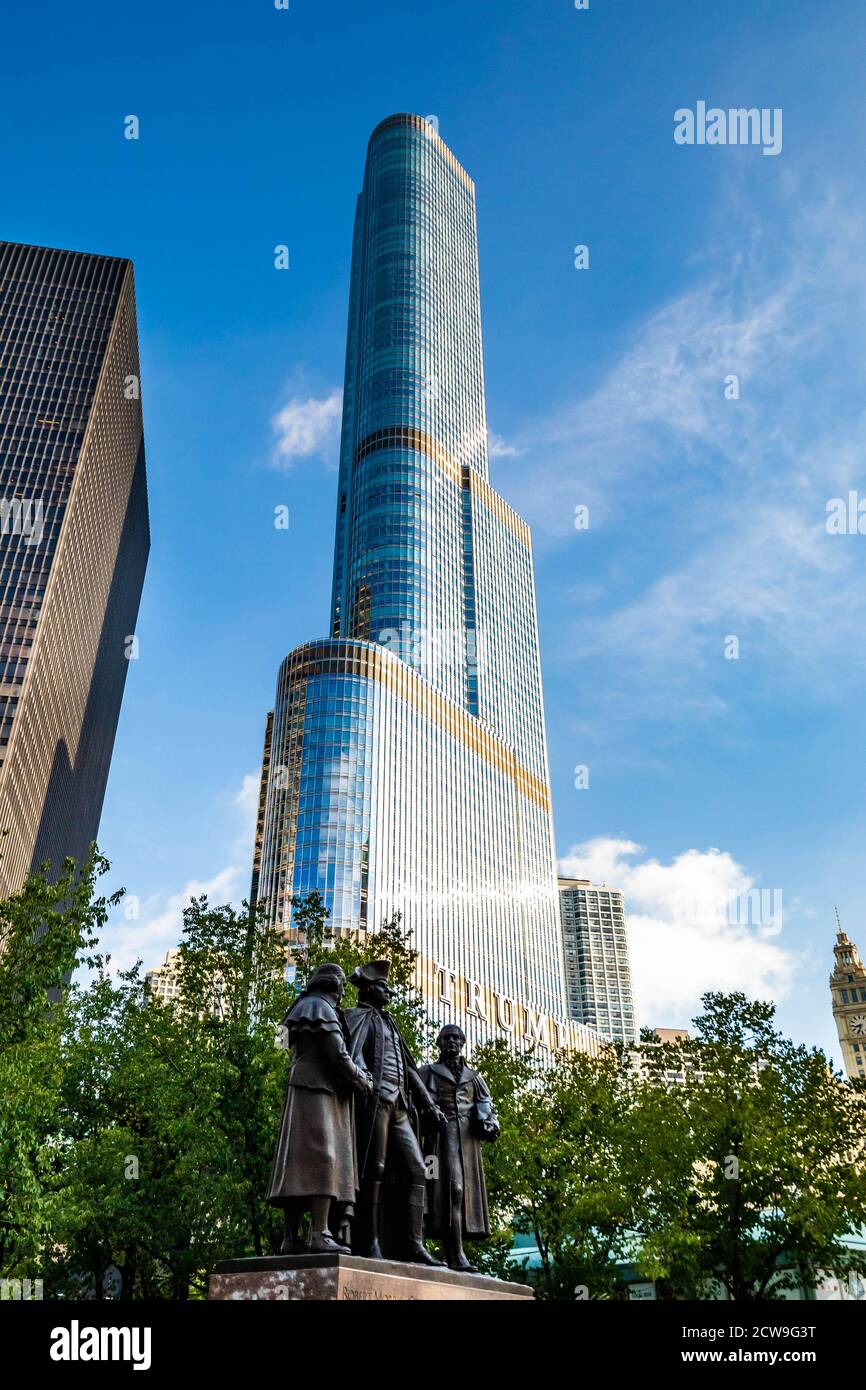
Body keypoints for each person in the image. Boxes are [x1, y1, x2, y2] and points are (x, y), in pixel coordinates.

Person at [344, 960, 447, 1266]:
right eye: (383, 987)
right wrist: (365, 1076)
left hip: (400, 1105)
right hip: (375, 1102)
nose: (389, 992)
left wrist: (428, 1104)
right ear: (368, 989)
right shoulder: (355, 1017)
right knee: (373, 1169)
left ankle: (415, 1245)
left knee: (418, 1170)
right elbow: (351, 1055)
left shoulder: (391, 1023)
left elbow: (411, 1070)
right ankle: (370, 1241)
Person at [266, 962, 373, 1254]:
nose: (343, 991)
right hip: (318, 1091)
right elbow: (338, 1055)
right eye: (342, 984)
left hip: (301, 1090)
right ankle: (319, 1232)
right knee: (322, 1158)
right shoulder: (320, 1008)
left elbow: (280, 1044)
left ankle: (290, 1238)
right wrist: (361, 1079)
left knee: (296, 1162)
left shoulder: (299, 1006)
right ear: (334, 983)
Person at [418, 1024, 500, 1271]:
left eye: (455, 1037)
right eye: (446, 1038)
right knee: (439, 1191)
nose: (451, 1041)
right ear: (439, 1043)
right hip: (437, 1144)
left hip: (466, 1143)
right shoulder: (427, 1073)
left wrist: (491, 1125)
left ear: (463, 1043)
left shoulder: (475, 1078)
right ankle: (450, 1252)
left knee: (460, 1194)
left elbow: (487, 1108)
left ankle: (455, 1253)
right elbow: (414, 1104)